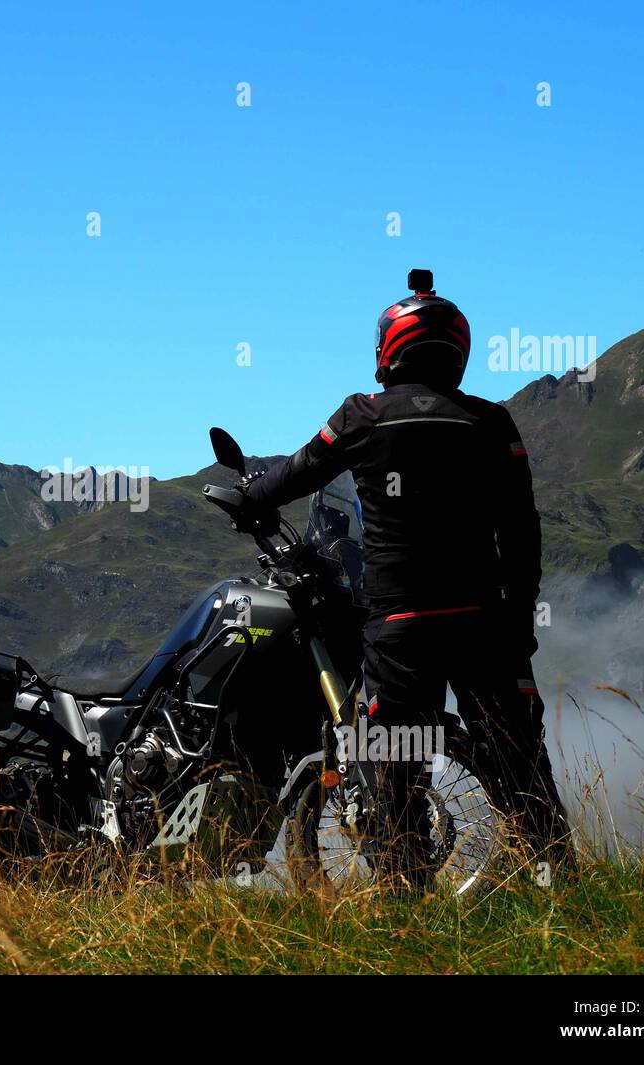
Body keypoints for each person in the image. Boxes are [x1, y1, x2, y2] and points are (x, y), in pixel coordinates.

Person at [242, 269, 573, 887]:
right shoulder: (492, 423)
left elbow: (292, 477)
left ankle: (406, 902)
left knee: (393, 764)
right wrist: (519, 620)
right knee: (522, 762)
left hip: (400, 625)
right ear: (457, 350)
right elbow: (522, 534)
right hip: (484, 621)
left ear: (387, 350)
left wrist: (247, 497)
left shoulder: (361, 416)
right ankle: (565, 884)